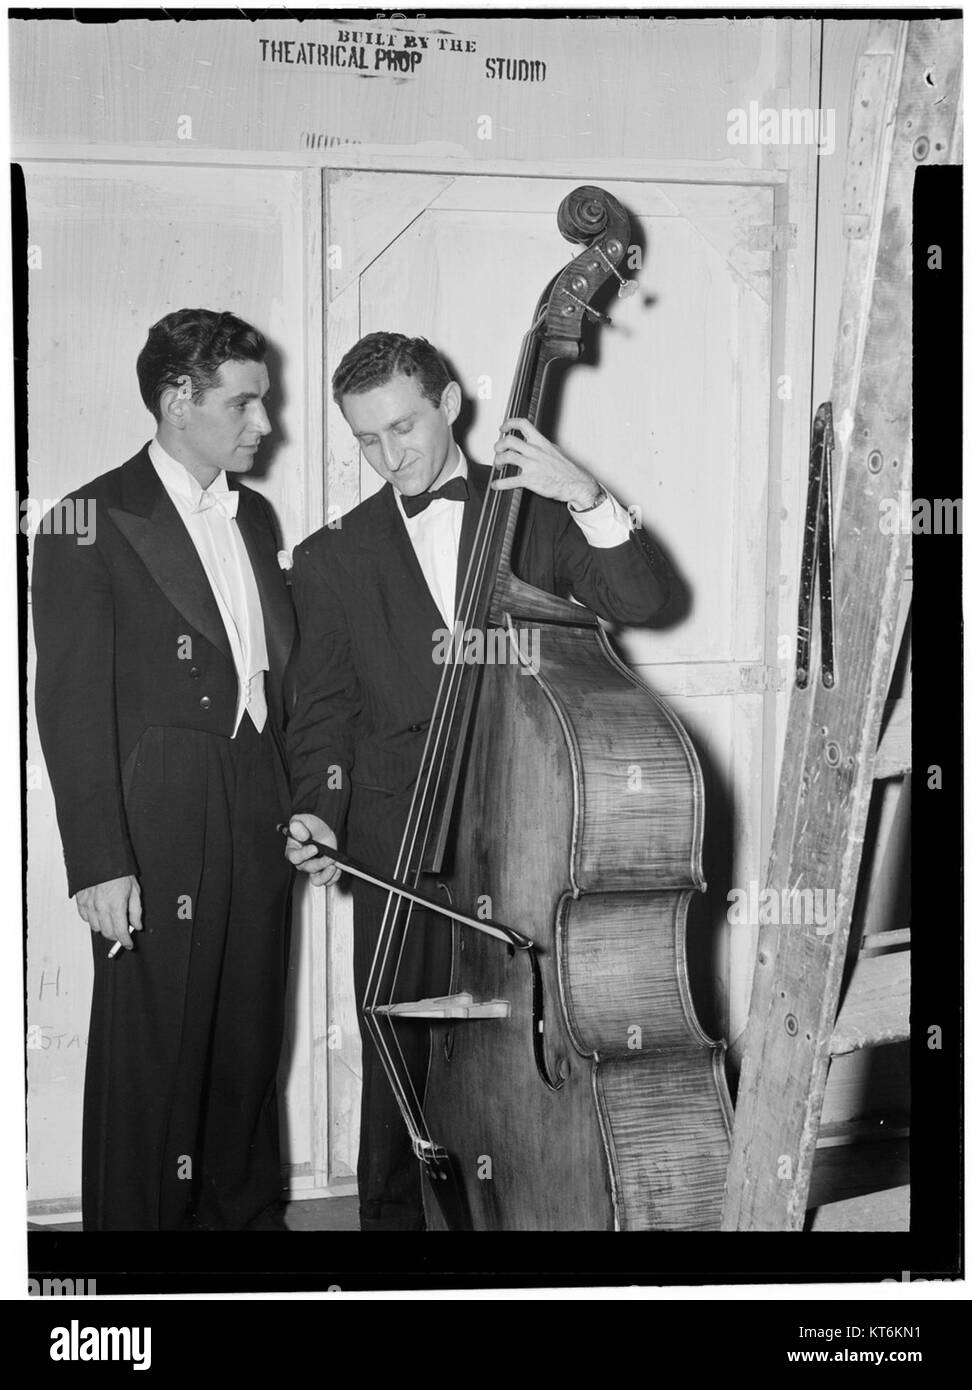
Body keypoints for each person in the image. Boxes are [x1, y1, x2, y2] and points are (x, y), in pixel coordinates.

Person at [285, 331, 672, 1232]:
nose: (393, 456)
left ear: (452, 403)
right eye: (368, 440)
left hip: (526, 824)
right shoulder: (330, 557)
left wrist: (582, 492)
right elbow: (322, 713)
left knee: (533, 1038)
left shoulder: (534, 515)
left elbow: (646, 601)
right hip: (398, 838)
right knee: (402, 1065)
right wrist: (318, 806)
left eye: (406, 427)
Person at [32, 308, 296, 1230]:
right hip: (158, 812)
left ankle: (246, 1243)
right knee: (154, 1052)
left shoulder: (255, 516)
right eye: (247, 403)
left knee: (248, 1038)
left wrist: (303, 803)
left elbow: (273, 676)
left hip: (256, 795)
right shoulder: (83, 518)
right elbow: (66, 707)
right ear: (178, 399)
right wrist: (100, 860)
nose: (266, 424)